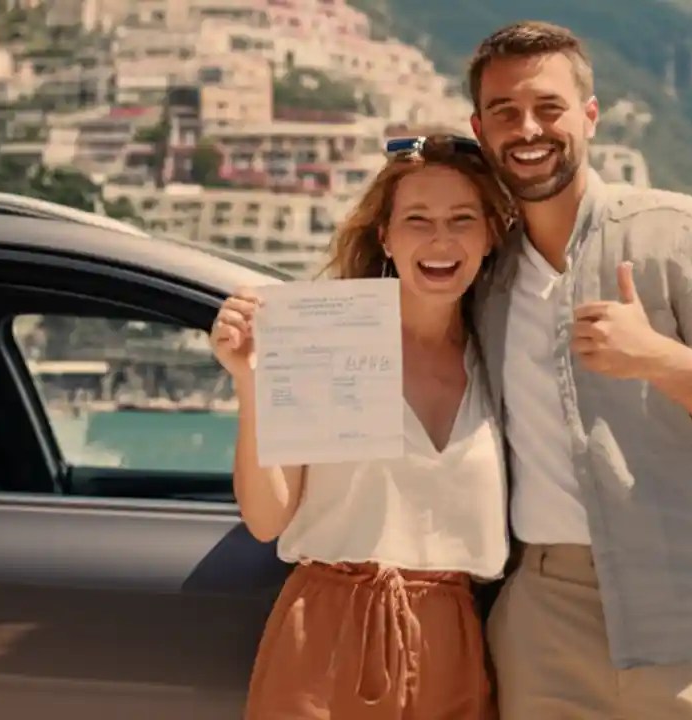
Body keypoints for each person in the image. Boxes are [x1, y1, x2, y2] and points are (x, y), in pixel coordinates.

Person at [465, 20, 692, 720]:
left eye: (549, 108)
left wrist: (657, 359)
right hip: (543, 623)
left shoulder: (679, 234)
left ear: (590, 116)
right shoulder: (482, 271)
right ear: (480, 129)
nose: (527, 129)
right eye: (505, 112)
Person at [209, 133, 514, 720]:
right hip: (328, 635)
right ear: (386, 237)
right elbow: (268, 518)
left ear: (489, 235)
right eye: (417, 220)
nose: (441, 240)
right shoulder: (329, 342)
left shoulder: (501, 358)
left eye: (461, 220)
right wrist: (249, 381)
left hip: (452, 638)